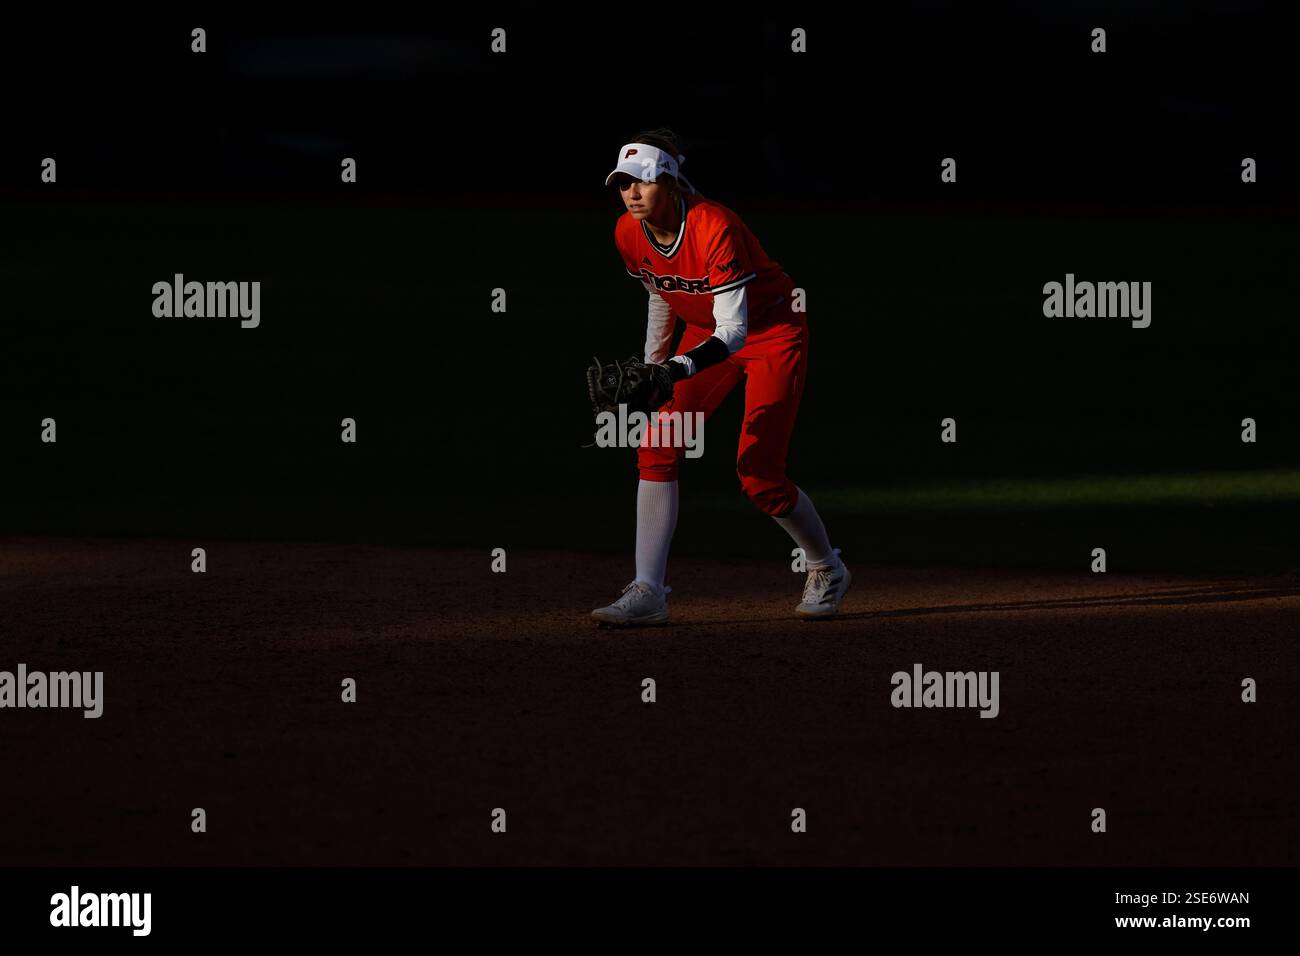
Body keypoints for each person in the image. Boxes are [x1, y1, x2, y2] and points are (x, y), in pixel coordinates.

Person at [591, 129, 850, 627]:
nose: (631, 193)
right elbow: (662, 292)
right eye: (623, 183)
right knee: (657, 446)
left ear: (671, 183)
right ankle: (648, 590)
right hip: (704, 331)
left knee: (759, 476)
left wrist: (676, 367)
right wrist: (652, 365)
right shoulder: (627, 231)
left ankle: (826, 567)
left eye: (642, 182)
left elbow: (735, 331)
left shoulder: (715, 226)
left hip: (772, 331)